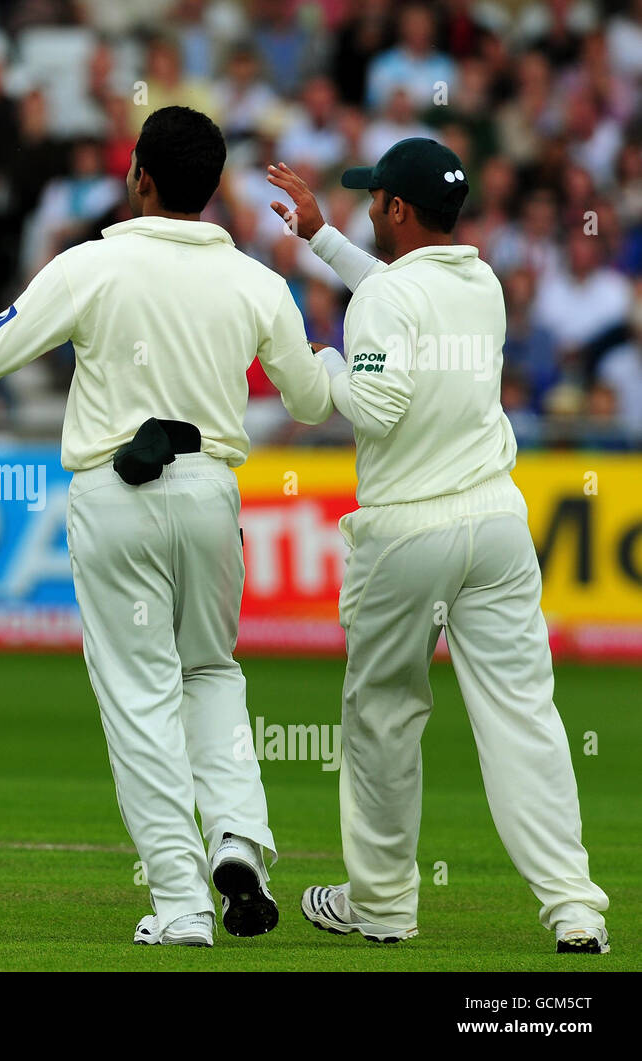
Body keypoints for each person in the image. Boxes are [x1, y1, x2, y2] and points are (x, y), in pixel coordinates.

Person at [0, 106, 333, 948]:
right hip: (211, 491)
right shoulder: (254, 281)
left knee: (140, 699)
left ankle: (180, 902)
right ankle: (237, 839)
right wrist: (342, 364)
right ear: (212, 188)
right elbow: (310, 401)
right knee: (211, 672)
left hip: (116, 494)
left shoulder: (92, 263)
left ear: (140, 178)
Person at [267, 139, 611, 954]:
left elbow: (377, 401)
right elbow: (400, 296)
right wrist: (321, 238)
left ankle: (382, 907)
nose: (364, 208)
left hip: (409, 530)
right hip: (494, 521)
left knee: (383, 719)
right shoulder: (482, 280)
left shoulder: (381, 305)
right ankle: (574, 907)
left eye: (372, 198)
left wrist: (322, 368)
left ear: (396, 209)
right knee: (524, 715)